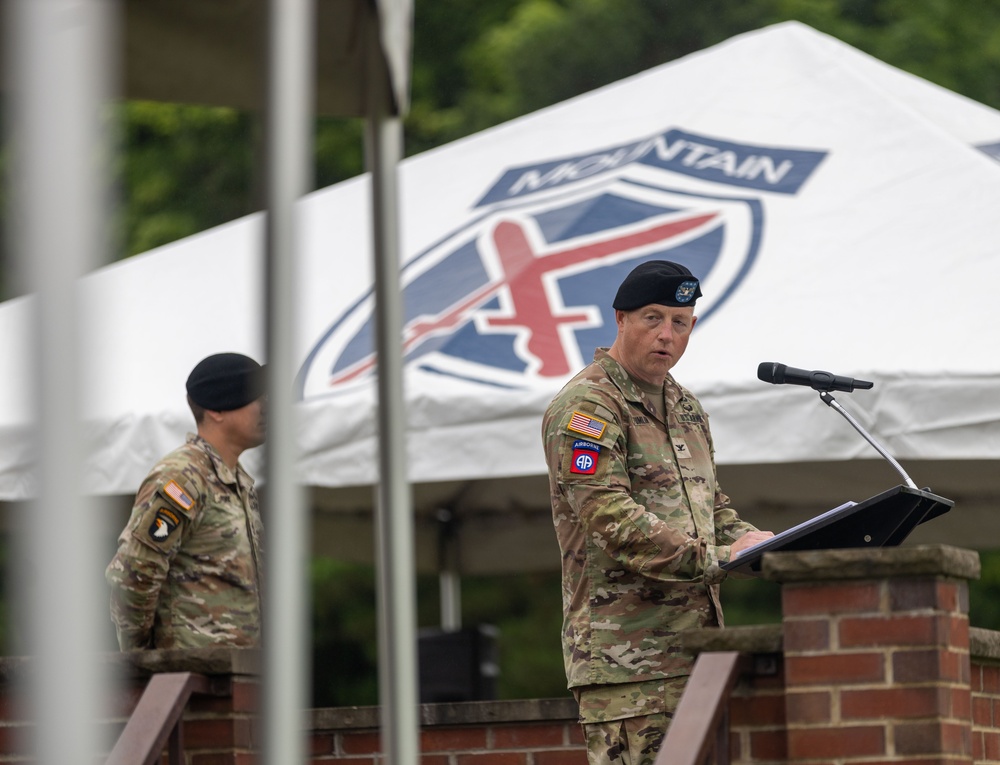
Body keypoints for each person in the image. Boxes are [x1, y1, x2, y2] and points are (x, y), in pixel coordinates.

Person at [542, 261, 773, 765]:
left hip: (698, 652)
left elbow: (712, 508)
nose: (667, 335)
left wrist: (760, 543)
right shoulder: (589, 407)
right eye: (653, 318)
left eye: (680, 322)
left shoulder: (685, 406)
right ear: (621, 319)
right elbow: (610, 520)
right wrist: (716, 556)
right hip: (630, 666)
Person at [106, 352, 267, 650]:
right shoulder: (184, 476)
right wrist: (143, 660)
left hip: (236, 679)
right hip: (189, 680)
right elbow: (134, 571)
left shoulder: (237, 480)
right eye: (255, 396)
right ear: (217, 410)